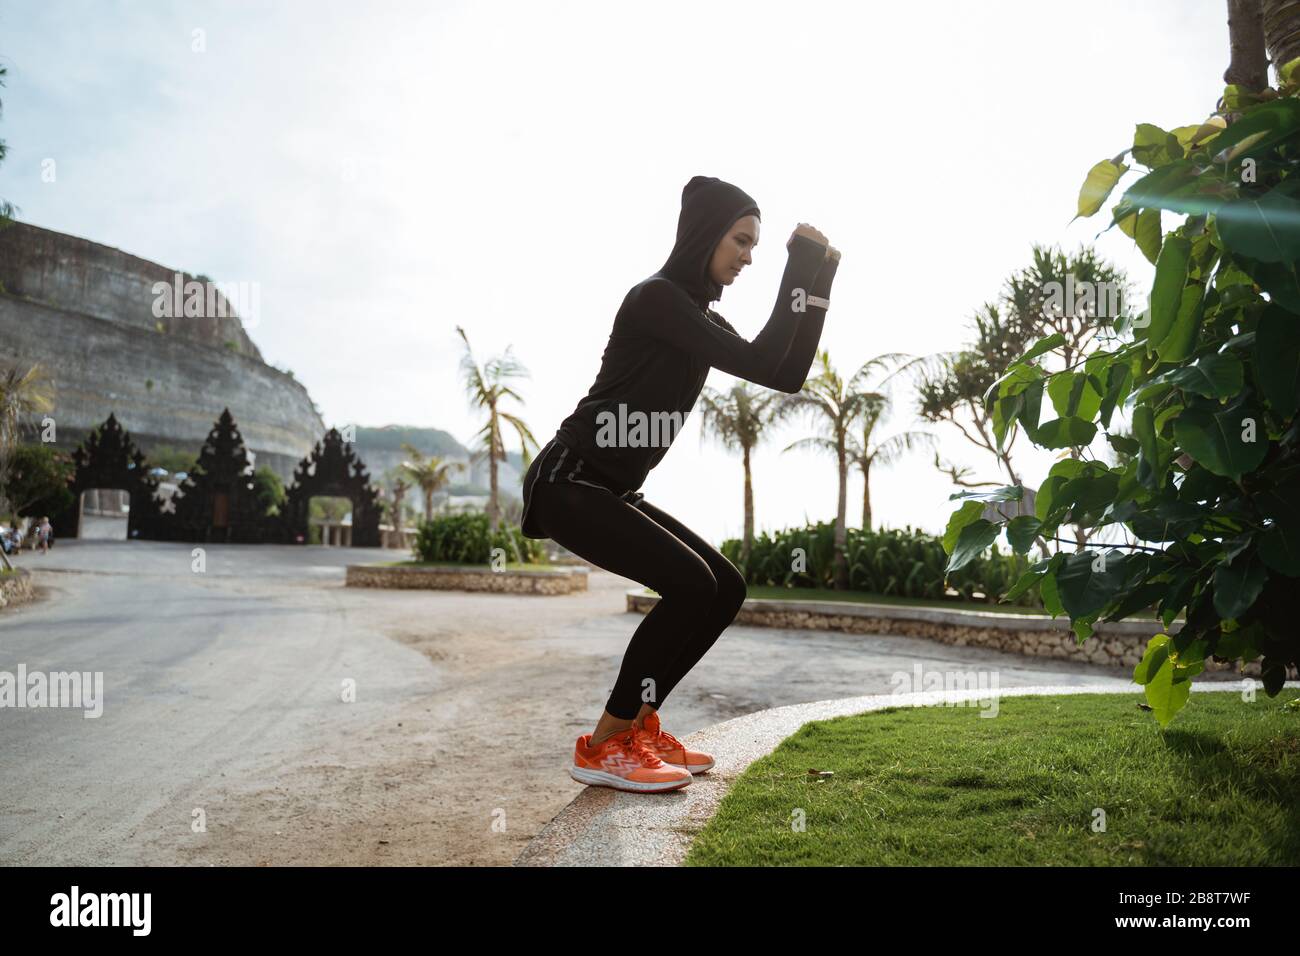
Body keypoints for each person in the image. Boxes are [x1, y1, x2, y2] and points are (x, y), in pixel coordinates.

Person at [519, 175, 840, 793]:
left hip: (609, 489)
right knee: (691, 585)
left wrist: (820, 276)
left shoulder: (695, 316)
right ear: (705, 234)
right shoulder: (657, 300)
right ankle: (606, 743)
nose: (748, 256)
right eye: (742, 241)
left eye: (755, 245)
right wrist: (799, 261)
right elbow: (767, 359)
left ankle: (640, 725)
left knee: (724, 587)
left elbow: (787, 373)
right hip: (569, 480)